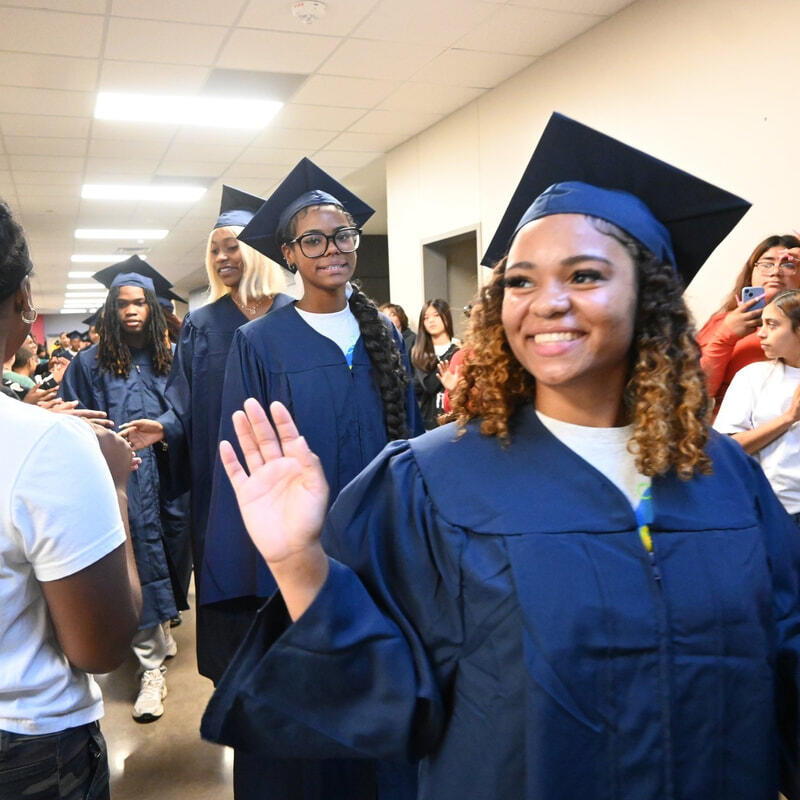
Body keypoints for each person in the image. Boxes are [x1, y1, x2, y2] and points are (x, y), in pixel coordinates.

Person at [200, 114, 800, 799]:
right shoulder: (430, 483)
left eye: (584, 274)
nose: (546, 302)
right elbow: (389, 697)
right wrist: (299, 560)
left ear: (650, 296)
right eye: (519, 281)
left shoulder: (728, 481)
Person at [202, 158, 422, 800]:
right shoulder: (262, 341)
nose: (332, 250)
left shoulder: (382, 332)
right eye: (314, 240)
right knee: (313, 718)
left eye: (343, 236)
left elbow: (406, 445)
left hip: (382, 556)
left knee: (384, 696)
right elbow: (242, 461)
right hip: (300, 560)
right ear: (291, 255)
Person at [119, 185, 290, 683]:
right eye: (214, 250)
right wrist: (165, 425)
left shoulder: (291, 315)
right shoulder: (201, 324)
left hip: (283, 480)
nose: (221, 257)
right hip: (222, 487)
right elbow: (184, 402)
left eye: (231, 245)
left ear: (255, 250)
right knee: (230, 572)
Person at [0, 198, 142, 800]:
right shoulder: (48, 443)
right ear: (24, 299)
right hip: (29, 745)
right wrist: (114, 485)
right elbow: (100, 647)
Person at [58, 256, 190, 724]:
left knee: (173, 555)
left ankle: (161, 625)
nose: (131, 310)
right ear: (110, 310)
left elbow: (190, 413)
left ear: (153, 308)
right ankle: (150, 666)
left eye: (140, 302)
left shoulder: (172, 357)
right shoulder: (88, 363)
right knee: (137, 560)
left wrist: (166, 427)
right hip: (120, 477)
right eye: (121, 304)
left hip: (172, 475)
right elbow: (76, 423)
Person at [714, 288, 800, 520]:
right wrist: (789, 417)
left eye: (772, 325)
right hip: (770, 510)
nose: (760, 333)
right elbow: (726, 448)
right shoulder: (752, 376)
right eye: (761, 324)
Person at [697, 233, 800, 412]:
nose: (775, 271)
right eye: (766, 264)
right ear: (751, 272)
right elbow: (695, 397)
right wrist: (726, 336)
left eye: (788, 264)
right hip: (732, 431)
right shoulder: (721, 323)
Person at [411, 298, 459, 429]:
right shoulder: (419, 352)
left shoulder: (460, 349)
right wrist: (452, 353)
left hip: (455, 419)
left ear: (447, 317)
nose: (431, 320)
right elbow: (429, 385)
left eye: (436, 315)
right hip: (430, 422)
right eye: (426, 318)